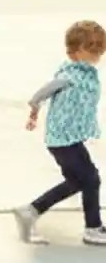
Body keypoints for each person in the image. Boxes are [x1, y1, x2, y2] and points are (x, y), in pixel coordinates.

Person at [13, 20, 106, 246]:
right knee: (91, 179)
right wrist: (34, 108)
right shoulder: (70, 74)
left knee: (77, 181)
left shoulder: (84, 73)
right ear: (75, 50)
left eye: (100, 48)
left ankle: (31, 210)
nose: (97, 53)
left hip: (68, 139)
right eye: (92, 48)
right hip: (64, 141)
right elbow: (44, 91)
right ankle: (93, 228)